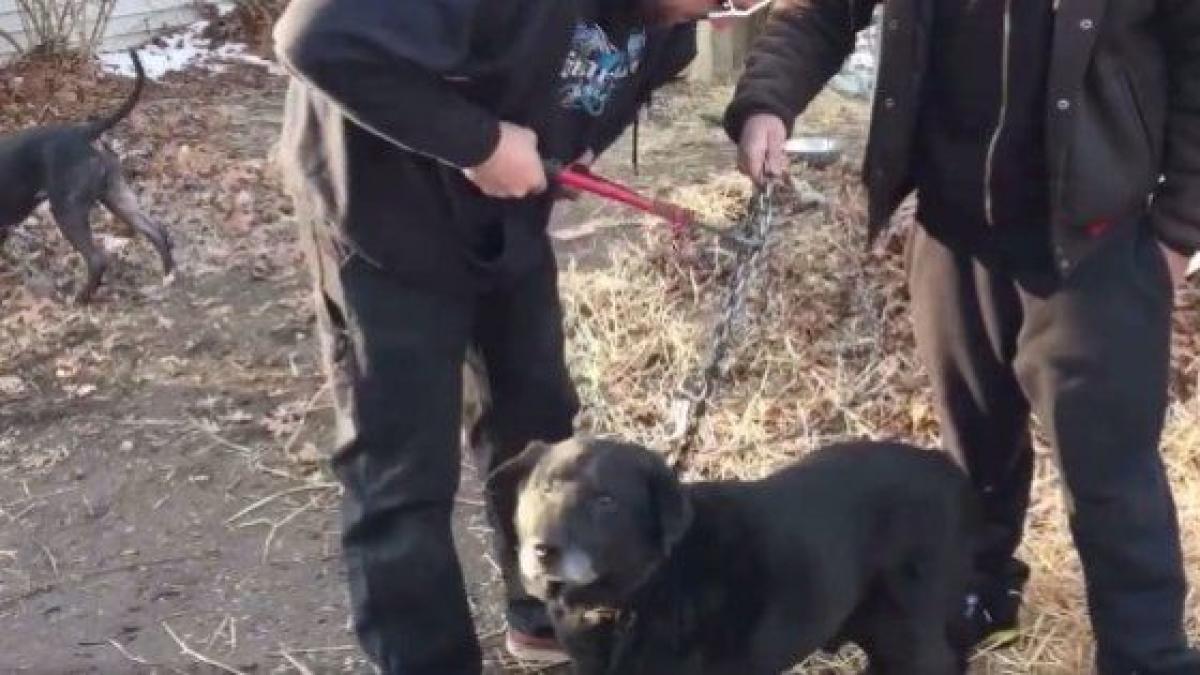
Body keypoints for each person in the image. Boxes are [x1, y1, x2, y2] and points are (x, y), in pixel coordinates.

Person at [270, 1, 753, 673]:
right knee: (403, 469)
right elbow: (314, 38)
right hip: (383, 211)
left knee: (536, 416)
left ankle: (541, 610)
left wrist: (578, 143)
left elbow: (631, 65)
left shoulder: (671, 19)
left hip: (506, 214)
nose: (722, 14)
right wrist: (480, 143)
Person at [726, 1, 1200, 673]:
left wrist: (1180, 226)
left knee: (1112, 474)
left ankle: (1146, 653)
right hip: (954, 228)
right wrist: (767, 102)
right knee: (973, 448)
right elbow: (821, 12)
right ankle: (976, 600)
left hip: (1092, 239)